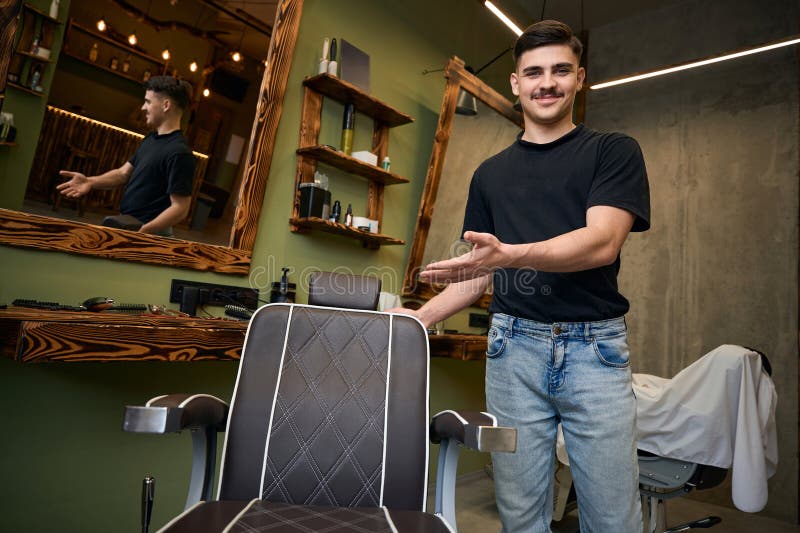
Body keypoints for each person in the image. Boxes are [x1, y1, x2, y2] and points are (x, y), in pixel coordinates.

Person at [392, 20, 650, 532]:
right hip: (512, 353)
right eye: (533, 72)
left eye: (560, 70)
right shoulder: (489, 175)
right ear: (516, 83)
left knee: (613, 519)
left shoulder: (613, 151)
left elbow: (602, 242)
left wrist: (509, 257)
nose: (546, 83)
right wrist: (417, 320)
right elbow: (479, 273)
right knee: (520, 516)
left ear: (580, 78)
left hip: (594, 353)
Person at [57, 76, 196, 236]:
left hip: (150, 235)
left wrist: (144, 231)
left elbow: (180, 208)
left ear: (166, 105)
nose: (143, 107)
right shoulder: (150, 139)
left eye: (148, 102)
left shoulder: (180, 153)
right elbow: (123, 174)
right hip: (130, 225)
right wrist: (90, 181)